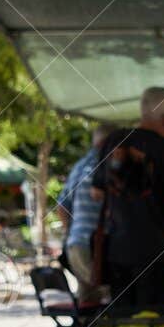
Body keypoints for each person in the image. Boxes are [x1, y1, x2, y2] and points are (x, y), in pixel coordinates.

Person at [92, 87, 164, 308]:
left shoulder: (113, 141)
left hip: (117, 254)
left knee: (124, 324)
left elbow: (97, 193)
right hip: (155, 256)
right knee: (154, 324)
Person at [56, 124, 114, 306]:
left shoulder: (80, 166)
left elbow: (61, 207)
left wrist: (71, 234)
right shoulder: (107, 165)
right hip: (95, 246)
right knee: (108, 300)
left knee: (87, 302)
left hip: (76, 244)